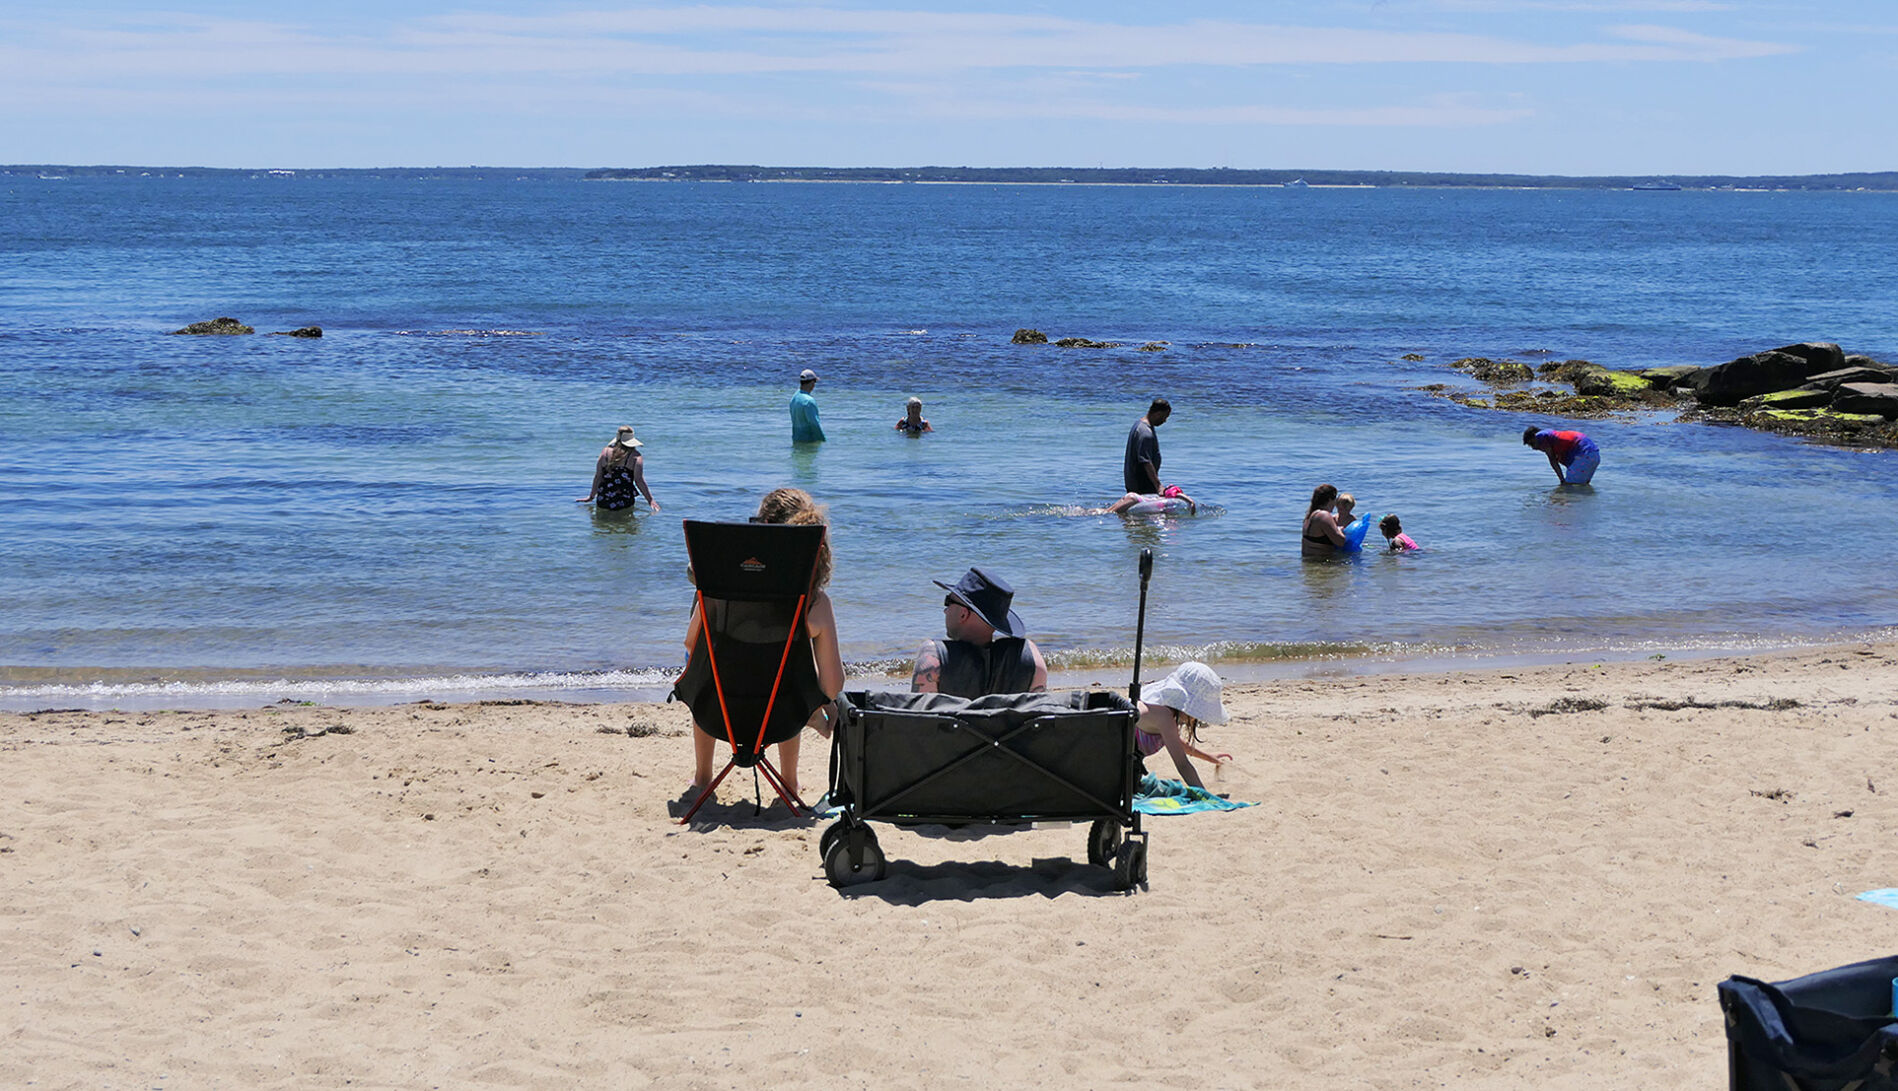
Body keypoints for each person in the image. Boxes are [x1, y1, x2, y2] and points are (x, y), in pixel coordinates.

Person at [683, 488, 844, 801]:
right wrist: (822, 704)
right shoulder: (814, 602)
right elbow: (833, 685)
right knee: (790, 673)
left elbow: (690, 645)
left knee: (706, 663)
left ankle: (703, 777)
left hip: (717, 711)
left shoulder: (719, 590)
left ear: (763, 526)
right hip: (782, 716)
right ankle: (789, 782)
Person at [911, 567, 1048, 697]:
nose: (945, 610)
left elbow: (921, 718)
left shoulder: (933, 659)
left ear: (963, 614)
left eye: (948, 602)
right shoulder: (1033, 660)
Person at [1134, 661, 1233, 790]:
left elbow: (1176, 742)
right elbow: (1183, 765)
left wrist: (1208, 756)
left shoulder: (1156, 708)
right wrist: (1204, 796)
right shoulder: (1164, 717)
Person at [576, 425, 659, 511]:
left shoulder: (605, 452)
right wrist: (650, 500)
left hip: (603, 500)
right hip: (624, 501)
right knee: (625, 523)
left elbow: (598, 477)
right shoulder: (635, 456)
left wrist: (591, 496)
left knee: (602, 524)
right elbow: (639, 481)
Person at [1123, 397, 1171, 495]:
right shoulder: (1145, 433)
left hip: (1135, 483)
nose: (1165, 421)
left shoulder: (1139, 425)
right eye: (1164, 417)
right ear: (1158, 414)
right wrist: (1158, 486)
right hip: (1142, 485)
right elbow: (1146, 462)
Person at [1523, 425, 1600, 485]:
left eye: (1532, 443)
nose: (1534, 448)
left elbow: (1553, 460)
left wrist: (1562, 480)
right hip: (1594, 455)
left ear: (1534, 436)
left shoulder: (1541, 436)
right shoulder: (1555, 442)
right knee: (1582, 487)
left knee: (1568, 487)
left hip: (1584, 455)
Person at [1301, 483, 1347, 558]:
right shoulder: (1324, 516)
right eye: (1335, 499)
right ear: (1329, 500)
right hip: (1322, 563)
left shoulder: (1310, 516)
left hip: (1309, 562)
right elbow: (1340, 542)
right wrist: (1339, 530)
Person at [1094, 483, 1197, 515]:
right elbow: (1191, 502)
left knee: (1107, 511)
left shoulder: (1166, 494)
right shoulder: (1174, 493)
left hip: (1133, 497)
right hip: (1135, 500)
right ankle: (1085, 513)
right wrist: (1192, 512)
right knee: (1108, 513)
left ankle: (1085, 512)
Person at [790, 368, 825, 443]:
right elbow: (815, 424)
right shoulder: (809, 401)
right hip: (808, 441)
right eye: (815, 382)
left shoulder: (794, 397)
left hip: (796, 439)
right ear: (812, 382)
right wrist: (822, 441)